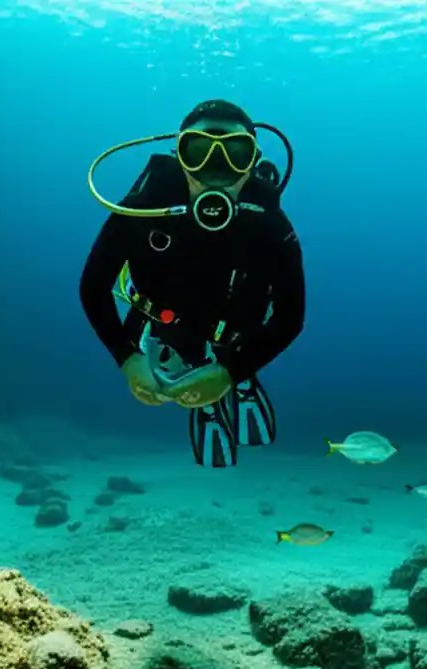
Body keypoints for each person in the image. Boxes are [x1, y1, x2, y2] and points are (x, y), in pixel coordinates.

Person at [80, 99, 306, 468]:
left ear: (252, 162)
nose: (216, 168)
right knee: (177, 345)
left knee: (235, 343)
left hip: (235, 331)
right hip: (163, 324)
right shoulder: (141, 209)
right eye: (199, 152)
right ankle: (206, 381)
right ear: (179, 156)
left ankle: (231, 377)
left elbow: (290, 318)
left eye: (235, 154)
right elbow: (93, 288)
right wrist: (128, 359)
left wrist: (232, 371)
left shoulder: (270, 225)